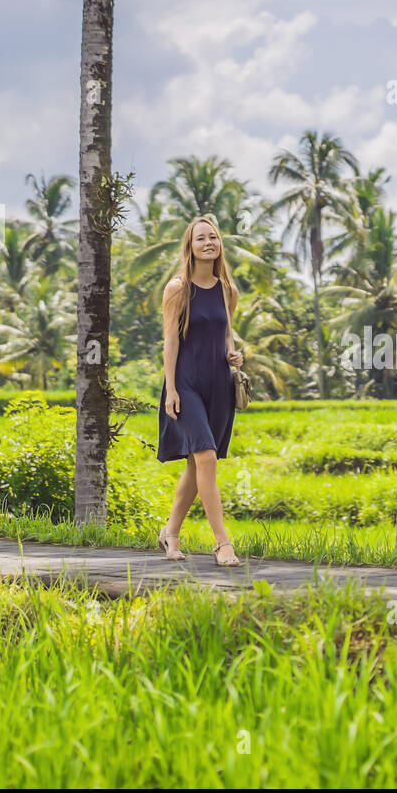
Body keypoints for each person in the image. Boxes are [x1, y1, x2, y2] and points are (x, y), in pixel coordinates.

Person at [155, 214, 244, 567]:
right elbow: (170, 340)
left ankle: (170, 533)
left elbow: (225, 334)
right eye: (200, 238)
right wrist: (172, 389)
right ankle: (222, 543)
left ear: (219, 244)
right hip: (187, 383)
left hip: (219, 383)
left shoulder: (227, 290)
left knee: (198, 464)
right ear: (190, 247)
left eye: (213, 238)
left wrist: (236, 353)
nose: (208, 243)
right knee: (204, 457)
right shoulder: (177, 288)